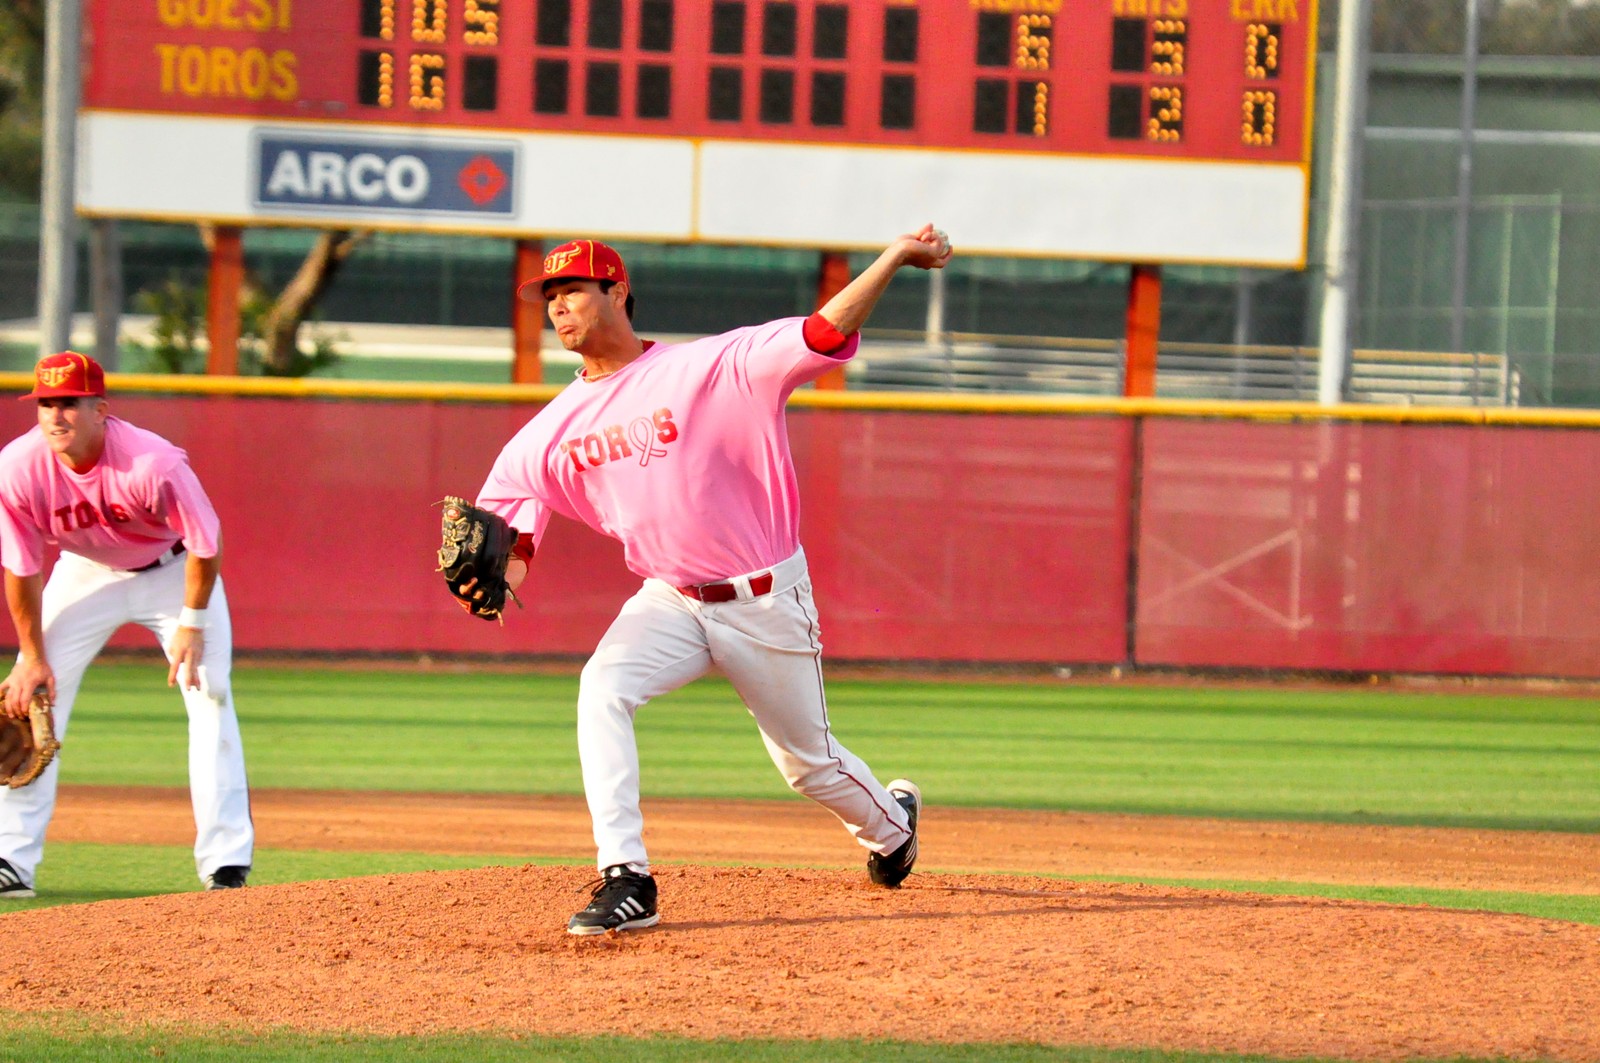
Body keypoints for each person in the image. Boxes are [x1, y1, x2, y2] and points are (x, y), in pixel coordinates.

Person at [464, 224, 953, 935]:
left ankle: (892, 830)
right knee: (602, 687)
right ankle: (626, 876)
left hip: (764, 598)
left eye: (573, 289)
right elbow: (511, 532)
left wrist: (894, 260)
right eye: (550, 296)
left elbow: (822, 330)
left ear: (618, 291)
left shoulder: (717, 366)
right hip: (669, 597)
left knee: (809, 765)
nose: (559, 306)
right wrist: (498, 572)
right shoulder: (547, 432)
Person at [0, 352, 253, 899]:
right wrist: (30, 656)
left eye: (69, 403)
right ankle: (11, 861)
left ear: (101, 410)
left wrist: (191, 621)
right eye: (46, 403)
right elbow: (20, 568)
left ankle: (225, 863)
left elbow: (206, 543)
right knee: (32, 701)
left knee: (210, 693)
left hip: (172, 571)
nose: (56, 416)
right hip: (85, 572)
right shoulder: (17, 468)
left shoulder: (151, 462)